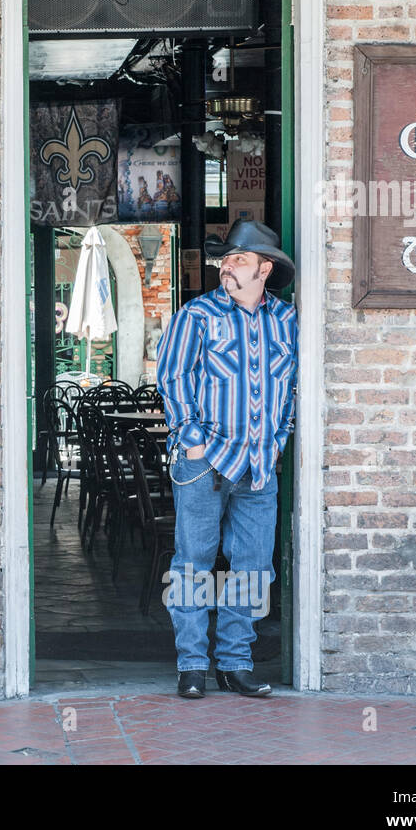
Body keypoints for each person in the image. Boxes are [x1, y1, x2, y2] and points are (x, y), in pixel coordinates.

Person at [155, 220, 298, 699]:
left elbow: (294, 387)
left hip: (259, 464)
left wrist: (279, 437)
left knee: (253, 568)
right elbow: (172, 378)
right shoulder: (196, 315)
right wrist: (192, 439)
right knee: (193, 565)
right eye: (225, 260)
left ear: (265, 268)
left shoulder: (286, 320)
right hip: (203, 462)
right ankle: (192, 664)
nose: (226, 268)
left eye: (237, 260)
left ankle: (235, 663)